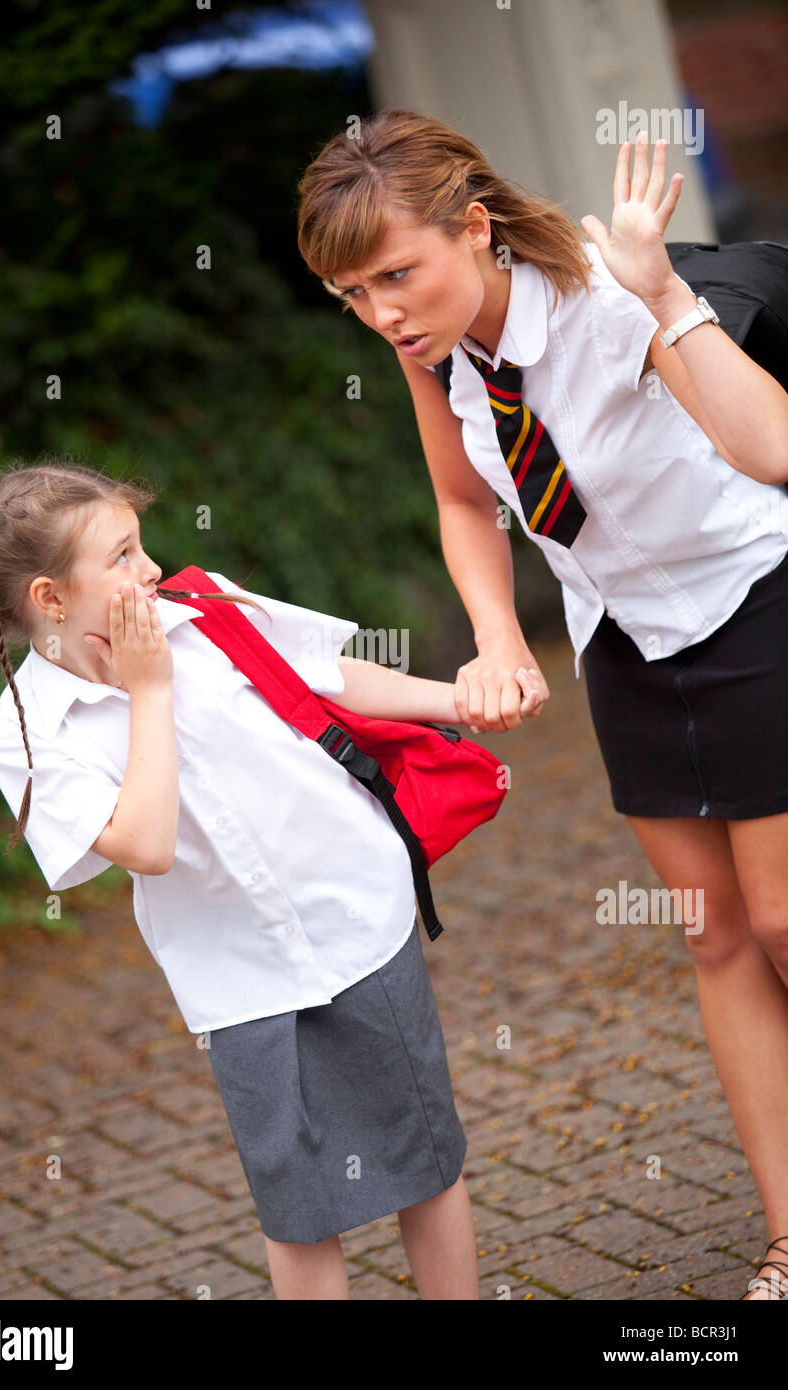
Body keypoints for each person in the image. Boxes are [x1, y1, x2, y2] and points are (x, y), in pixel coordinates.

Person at [296, 108, 788, 1300]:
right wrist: (499, 634)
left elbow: (768, 445)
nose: (383, 313)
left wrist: (663, 291)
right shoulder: (434, 353)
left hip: (755, 601)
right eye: (351, 294)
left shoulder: (607, 292)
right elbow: (467, 504)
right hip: (625, 649)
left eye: (396, 276)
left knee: (779, 925)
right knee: (713, 936)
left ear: (472, 227)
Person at [0, 459, 539, 1300]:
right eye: (123, 556)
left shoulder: (202, 607)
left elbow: (331, 678)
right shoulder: (29, 732)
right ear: (53, 601)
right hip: (239, 983)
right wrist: (149, 690)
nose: (150, 567)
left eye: (140, 544)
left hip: (355, 916)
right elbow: (147, 844)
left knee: (425, 1155)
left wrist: (459, 700)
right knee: (299, 1208)